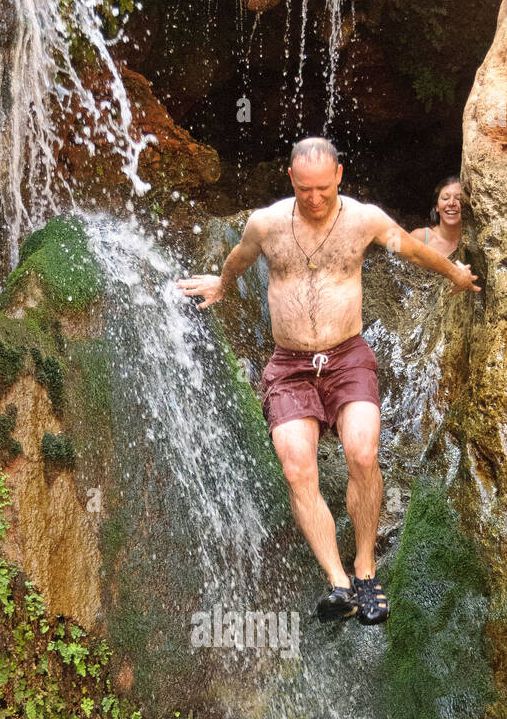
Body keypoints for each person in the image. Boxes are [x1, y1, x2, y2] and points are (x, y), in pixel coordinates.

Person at [176, 139, 480, 625]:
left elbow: (414, 249)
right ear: (290, 179)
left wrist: (456, 276)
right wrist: (221, 282)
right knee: (298, 469)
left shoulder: (363, 219)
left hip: (347, 357)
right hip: (290, 365)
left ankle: (365, 568)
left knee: (362, 451)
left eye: (322, 187)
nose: (314, 198)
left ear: (339, 175)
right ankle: (339, 583)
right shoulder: (267, 224)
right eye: (303, 188)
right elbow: (239, 256)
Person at [410, 176, 463, 258]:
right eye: (445, 198)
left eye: (459, 199)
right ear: (436, 206)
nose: (451, 203)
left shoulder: (472, 245)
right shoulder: (420, 238)